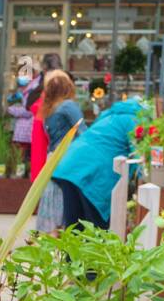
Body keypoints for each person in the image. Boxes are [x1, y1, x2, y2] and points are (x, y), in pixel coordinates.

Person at [52, 97, 143, 230]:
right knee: (95, 231)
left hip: (70, 166)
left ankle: (71, 251)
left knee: (74, 228)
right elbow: (138, 154)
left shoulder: (109, 116)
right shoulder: (134, 120)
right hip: (92, 174)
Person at [34, 70, 81, 232]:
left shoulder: (48, 110)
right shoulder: (68, 106)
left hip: (53, 160)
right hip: (69, 161)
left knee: (52, 202)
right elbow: (83, 132)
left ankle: (51, 236)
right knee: (65, 204)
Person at [26, 53, 63, 181]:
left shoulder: (43, 84)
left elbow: (30, 105)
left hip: (43, 124)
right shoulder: (52, 84)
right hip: (45, 125)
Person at [7, 56, 37, 167]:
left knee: (25, 155)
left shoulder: (33, 91)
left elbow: (29, 111)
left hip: (28, 129)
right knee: (19, 156)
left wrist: (11, 110)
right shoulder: (20, 91)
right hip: (20, 129)